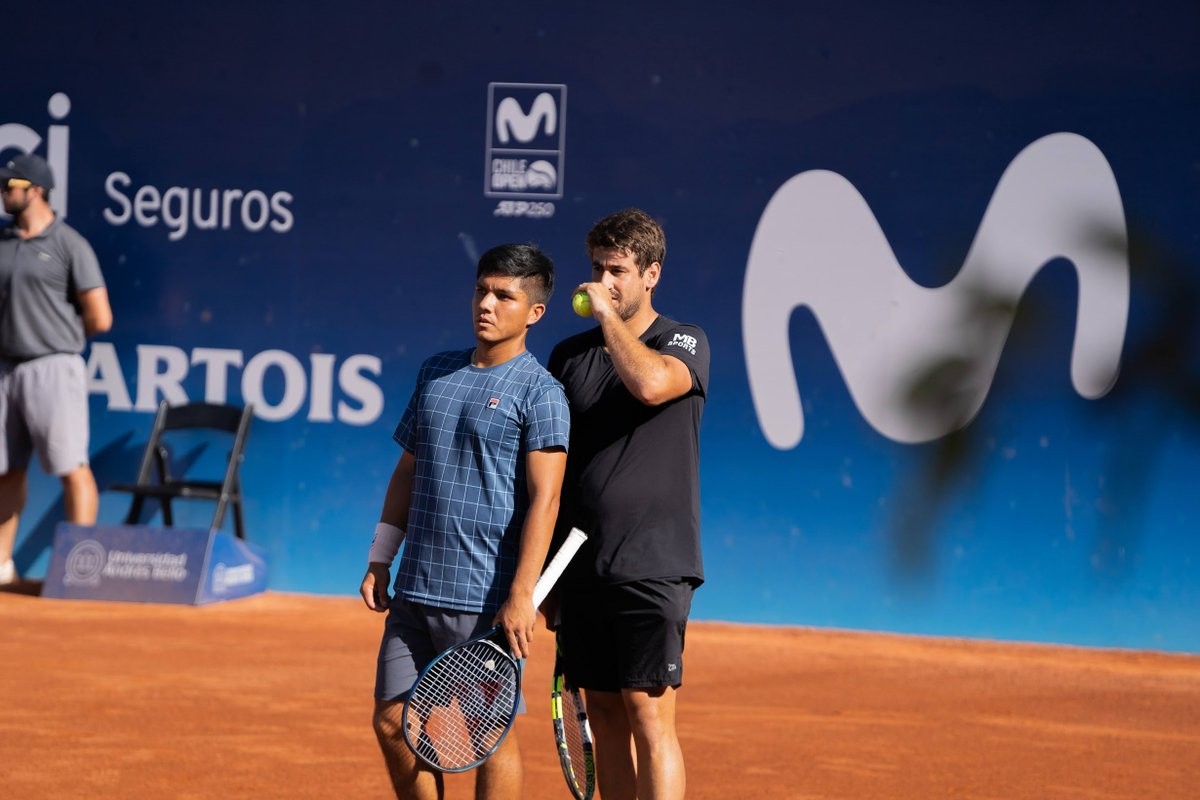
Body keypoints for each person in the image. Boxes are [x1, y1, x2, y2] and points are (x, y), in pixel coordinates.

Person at [359, 242, 569, 800]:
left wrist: (523, 592)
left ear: (534, 313)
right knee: (391, 721)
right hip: (415, 589)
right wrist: (381, 556)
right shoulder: (436, 373)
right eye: (482, 289)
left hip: (484, 599)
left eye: (505, 295)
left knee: (489, 738)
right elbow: (407, 471)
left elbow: (545, 500)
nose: (487, 303)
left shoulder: (542, 393)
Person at [548, 208, 710, 800]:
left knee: (649, 716)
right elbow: (555, 468)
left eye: (616, 269)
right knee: (606, 719)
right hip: (582, 565)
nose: (602, 282)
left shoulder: (684, 341)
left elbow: (649, 386)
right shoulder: (568, 357)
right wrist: (550, 576)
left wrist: (611, 319)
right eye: (596, 268)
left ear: (651, 275)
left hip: (655, 562)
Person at [0, 153, 112, 586]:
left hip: (53, 367)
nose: (4, 193)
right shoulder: (4, 244)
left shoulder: (70, 245)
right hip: (5, 369)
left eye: (11, 186)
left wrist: (57, 335)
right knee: (6, 471)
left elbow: (100, 318)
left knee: (71, 466)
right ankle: (3, 567)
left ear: (37, 190)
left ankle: (78, 573)